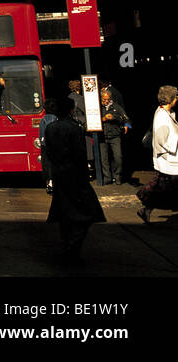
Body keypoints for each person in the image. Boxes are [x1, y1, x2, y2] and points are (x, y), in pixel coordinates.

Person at [44, 96, 104, 263]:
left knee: (64, 214)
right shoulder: (75, 128)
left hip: (59, 175)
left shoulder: (50, 128)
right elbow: (79, 153)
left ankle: (67, 246)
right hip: (75, 175)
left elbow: (49, 153)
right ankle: (73, 247)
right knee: (87, 212)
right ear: (71, 110)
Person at [138, 85, 178, 223]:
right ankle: (146, 204)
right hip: (168, 159)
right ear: (171, 99)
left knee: (163, 188)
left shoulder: (165, 112)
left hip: (169, 160)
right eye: (176, 96)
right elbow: (162, 140)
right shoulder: (162, 116)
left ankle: (146, 208)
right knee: (163, 188)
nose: (177, 98)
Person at [99, 88, 131, 184]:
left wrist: (126, 125)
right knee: (104, 159)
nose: (105, 101)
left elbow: (126, 119)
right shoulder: (98, 108)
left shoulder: (116, 107)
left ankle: (117, 176)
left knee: (118, 157)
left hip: (115, 135)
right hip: (102, 135)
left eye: (107, 99)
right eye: (103, 100)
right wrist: (103, 118)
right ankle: (107, 177)